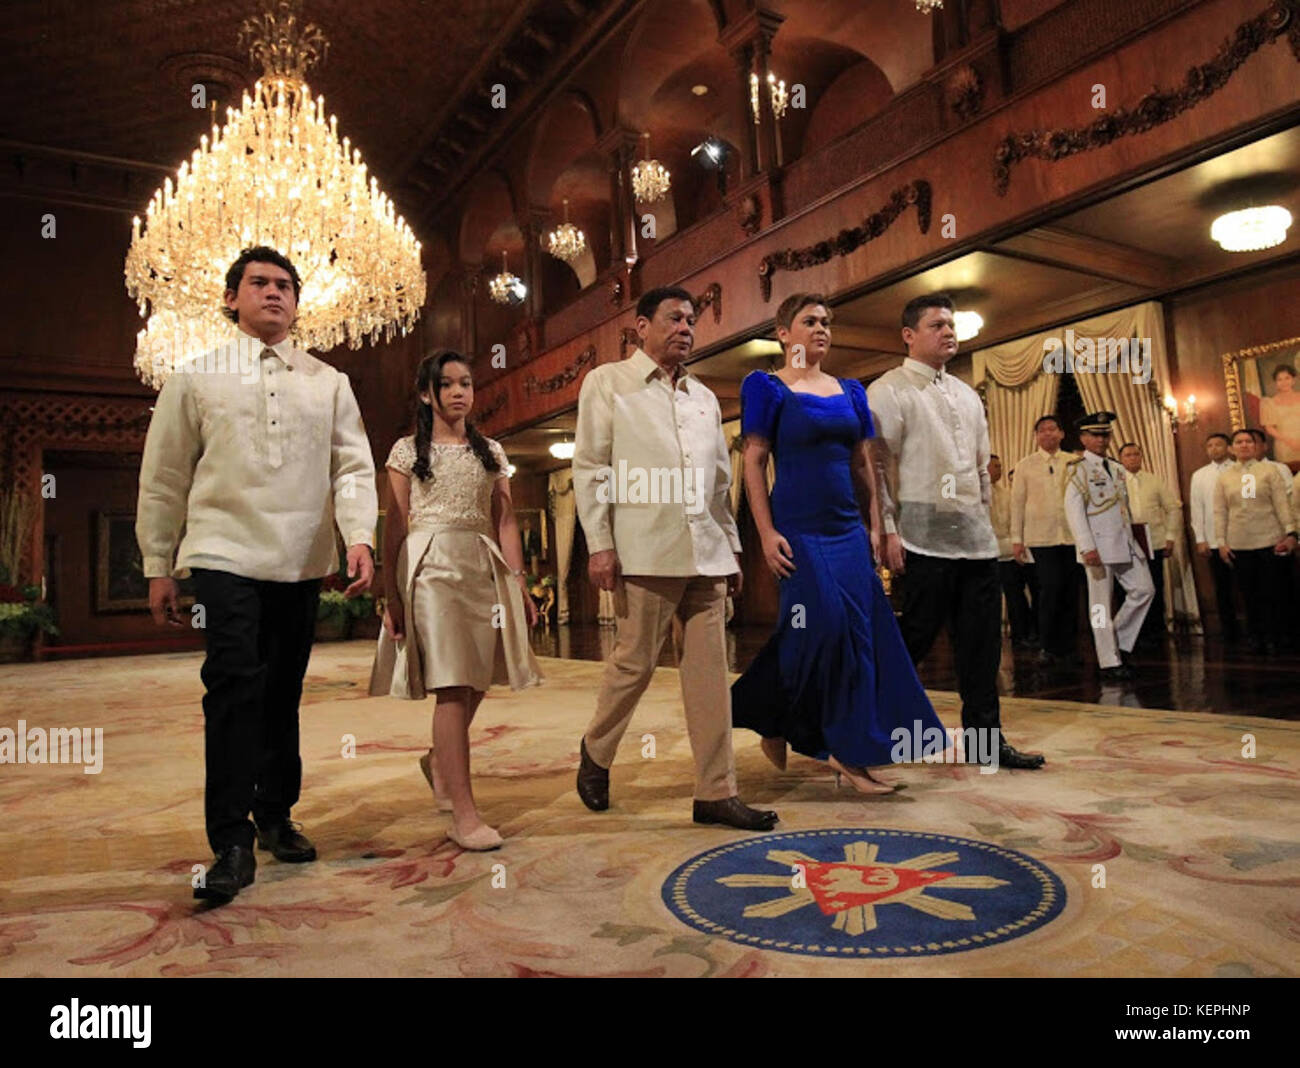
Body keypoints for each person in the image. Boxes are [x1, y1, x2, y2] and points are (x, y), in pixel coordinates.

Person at [138, 245, 377, 904]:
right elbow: (164, 476)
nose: (274, 293)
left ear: (297, 303)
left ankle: (275, 814)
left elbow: (353, 467)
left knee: (282, 691)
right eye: (259, 283)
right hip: (222, 553)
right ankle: (231, 840)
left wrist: (359, 535)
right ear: (231, 299)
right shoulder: (196, 377)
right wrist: (159, 562)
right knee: (235, 683)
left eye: (285, 285)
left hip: (299, 558)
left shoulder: (330, 383)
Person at [572, 286, 777, 829]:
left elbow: (717, 482)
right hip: (643, 548)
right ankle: (596, 750)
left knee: (709, 675)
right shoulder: (607, 383)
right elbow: (592, 468)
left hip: (706, 550)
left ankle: (716, 791)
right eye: (673, 318)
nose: (686, 327)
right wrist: (600, 544)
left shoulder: (705, 398)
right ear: (641, 326)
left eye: (692, 320)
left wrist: (732, 547)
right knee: (634, 664)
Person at [730, 293, 946, 794]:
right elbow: (754, 461)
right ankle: (835, 748)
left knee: (862, 633)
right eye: (809, 322)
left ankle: (825, 736)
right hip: (798, 528)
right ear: (784, 333)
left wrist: (877, 523)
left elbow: (862, 464)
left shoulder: (851, 390)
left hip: (848, 528)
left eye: (826, 322)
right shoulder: (765, 387)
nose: (821, 329)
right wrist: (764, 532)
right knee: (823, 624)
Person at [370, 351, 541, 851]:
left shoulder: (491, 449)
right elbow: (395, 524)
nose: (459, 392)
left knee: (480, 677)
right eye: (447, 385)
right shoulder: (406, 451)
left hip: (481, 564)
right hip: (431, 567)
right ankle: (463, 816)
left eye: (466, 383)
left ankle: (437, 759)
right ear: (427, 393)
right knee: (452, 683)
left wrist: (519, 582)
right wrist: (391, 593)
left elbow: (505, 519)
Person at [867, 292, 1044, 770]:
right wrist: (886, 530)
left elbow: (982, 469)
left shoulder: (968, 393)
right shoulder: (889, 389)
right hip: (921, 533)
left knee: (982, 646)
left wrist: (986, 521)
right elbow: (878, 468)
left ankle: (987, 744)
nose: (949, 332)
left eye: (951, 325)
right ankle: (869, 731)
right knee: (914, 639)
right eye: (937, 325)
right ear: (909, 335)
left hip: (975, 538)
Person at [1063, 413, 1153, 681]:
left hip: (1125, 542)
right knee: (1100, 605)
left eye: (1105, 435)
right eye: (1095, 435)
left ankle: (1117, 639)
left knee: (1145, 590)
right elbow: (1074, 512)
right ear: (1083, 438)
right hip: (1098, 547)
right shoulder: (1076, 469)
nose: (1101, 440)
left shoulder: (1116, 467)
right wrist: (1086, 547)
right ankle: (1109, 660)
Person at [1213, 428, 1297, 655]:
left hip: (1269, 539)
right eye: (1239, 442)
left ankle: (1276, 636)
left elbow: (1282, 504)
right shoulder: (1224, 477)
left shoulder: (1269, 471)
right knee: (1249, 594)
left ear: (1256, 446)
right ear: (1232, 449)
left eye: (1249, 441)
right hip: (1239, 542)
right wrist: (1221, 542)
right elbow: (1219, 512)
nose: (1244, 445)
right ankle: (1256, 636)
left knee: (1273, 592)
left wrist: (1290, 533)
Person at [1011, 415, 1080, 667]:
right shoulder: (1025, 465)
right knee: (1049, 591)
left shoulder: (1074, 462)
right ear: (1036, 436)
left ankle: (1069, 646)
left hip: (1072, 538)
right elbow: (1017, 504)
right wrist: (1017, 539)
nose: (1047, 434)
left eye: (1052, 429)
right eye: (1042, 431)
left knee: (1070, 593)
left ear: (1061, 434)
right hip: (1040, 539)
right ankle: (1048, 645)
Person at [1118, 441, 1182, 644]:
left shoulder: (1154, 481)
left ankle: (1156, 629)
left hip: (1153, 541)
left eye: (1136, 454)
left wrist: (1170, 536)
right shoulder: (1115, 482)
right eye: (1127, 455)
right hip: (1124, 544)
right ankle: (1130, 632)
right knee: (1128, 589)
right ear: (1120, 459)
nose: (1132, 458)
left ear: (1141, 457)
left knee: (1155, 585)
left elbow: (1173, 509)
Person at [1190, 432, 1239, 644]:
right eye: (1209, 445)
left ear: (1229, 448)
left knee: (1247, 586)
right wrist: (1200, 538)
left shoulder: (1241, 471)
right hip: (1212, 539)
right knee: (1222, 588)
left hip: (1241, 538)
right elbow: (1197, 508)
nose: (1214, 449)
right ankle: (1229, 631)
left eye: (1218, 445)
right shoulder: (1199, 475)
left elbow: (1248, 503)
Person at [989, 455, 1036, 647]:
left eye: (1000, 466)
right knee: (990, 598)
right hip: (989, 553)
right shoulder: (977, 492)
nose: (998, 470)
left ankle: (1022, 634)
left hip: (1008, 551)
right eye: (994, 466)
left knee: (1016, 595)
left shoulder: (1006, 492)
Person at [1260, 364, 1300, 464]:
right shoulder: (1269, 403)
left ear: (1293, 380)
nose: (1284, 382)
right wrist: (1290, 442)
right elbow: (1269, 428)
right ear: (1275, 383)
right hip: (1284, 446)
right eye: (1280, 379)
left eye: (1287, 378)